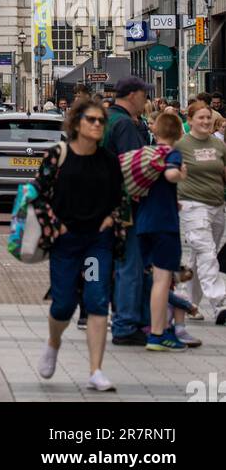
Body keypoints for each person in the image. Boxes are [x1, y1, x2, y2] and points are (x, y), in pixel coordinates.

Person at [35, 97, 124, 392]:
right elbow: (37, 193)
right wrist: (54, 226)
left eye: (101, 120)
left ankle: (96, 370)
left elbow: (120, 197)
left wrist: (112, 219)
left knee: (97, 299)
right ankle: (53, 342)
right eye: (92, 120)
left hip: (96, 244)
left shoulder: (109, 160)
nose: (98, 124)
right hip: (66, 241)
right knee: (63, 304)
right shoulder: (58, 155)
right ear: (76, 123)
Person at [104, 75, 153, 346]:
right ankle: (125, 324)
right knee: (129, 266)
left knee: (111, 264)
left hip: (99, 204)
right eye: (144, 95)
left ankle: (109, 315)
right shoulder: (124, 124)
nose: (146, 101)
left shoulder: (103, 119)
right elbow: (136, 167)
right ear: (133, 95)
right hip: (124, 204)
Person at [135, 110, 188, 350]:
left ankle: (157, 328)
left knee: (153, 279)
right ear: (178, 133)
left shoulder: (147, 153)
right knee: (162, 280)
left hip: (144, 222)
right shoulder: (172, 153)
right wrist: (180, 174)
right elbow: (170, 173)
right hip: (164, 224)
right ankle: (158, 334)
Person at [176, 100, 226, 324]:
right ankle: (220, 302)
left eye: (208, 118)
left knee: (202, 254)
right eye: (201, 118)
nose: (206, 121)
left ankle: (189, 301)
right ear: (190, 121)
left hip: (216, 204)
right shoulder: (181, 145)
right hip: (192, 205)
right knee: (206, 251)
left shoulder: (218, 146)